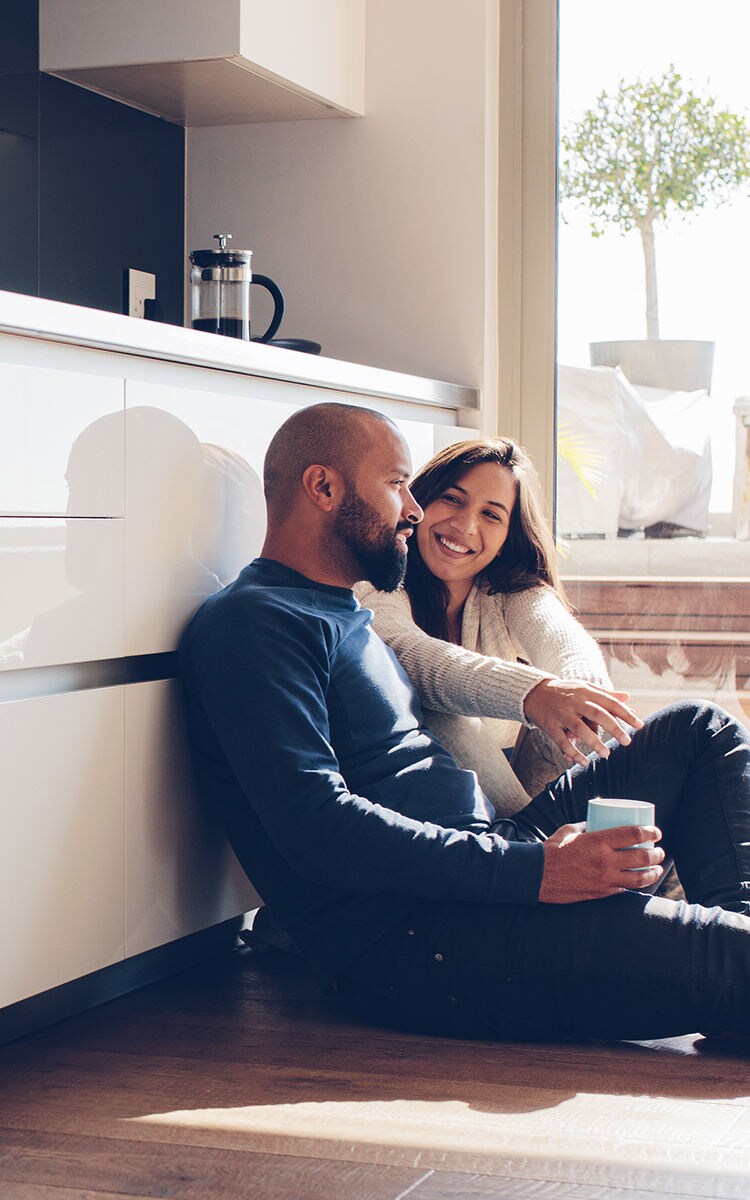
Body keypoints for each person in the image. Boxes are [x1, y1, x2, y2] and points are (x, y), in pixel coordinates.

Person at [179, 400, 750, 1044]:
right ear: (324, 487)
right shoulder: (258, 622)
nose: (414, 510)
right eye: (398, 484)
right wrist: (537, 874)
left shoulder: (339, 609)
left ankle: (732, 976)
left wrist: (525, 859)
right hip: (423, 941)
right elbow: (317, 828)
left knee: (700, 731)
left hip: (487, 862)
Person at [356, 438, 612, 809]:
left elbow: (562, 640)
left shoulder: (510, 592)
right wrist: (534, 693)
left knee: (696, 724)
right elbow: (409, 654)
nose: (464, 525)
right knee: (444, 712)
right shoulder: (380, 583)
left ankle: (622, 840)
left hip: (517, 776)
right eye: (453, 499)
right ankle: (533, 839)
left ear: (509, 536)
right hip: (419, 797)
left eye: (491, 515)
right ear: (420, 501)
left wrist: (586, 696)